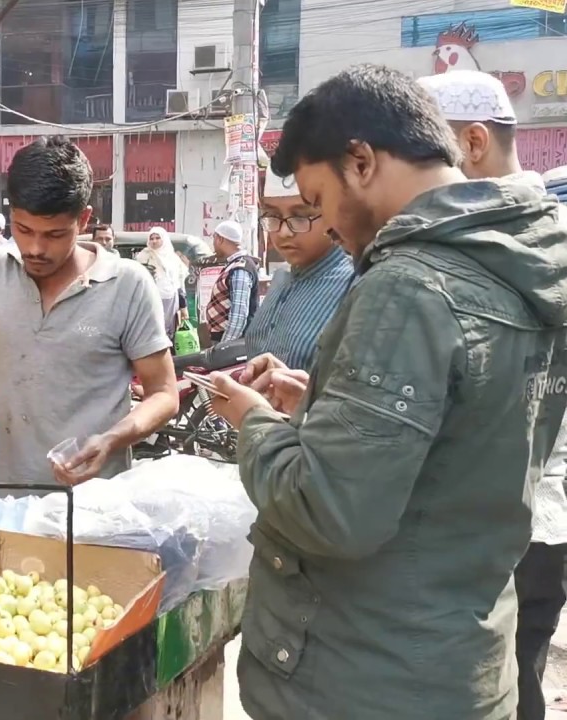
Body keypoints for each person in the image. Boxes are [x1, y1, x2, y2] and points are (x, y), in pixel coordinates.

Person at [209, 64, 567, 720]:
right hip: (465, 656)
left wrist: (255, 421)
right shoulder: (530, 262)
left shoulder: (408, 285)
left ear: (362, 161)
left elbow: (329, 510)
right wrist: (325, 405)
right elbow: (463, 436)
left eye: (318, 201)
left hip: (364, 676)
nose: (327, 226)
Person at [0, 136, 179, 489]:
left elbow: (163, 394)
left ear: (84, 219)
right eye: (23, 229)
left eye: (54, 234)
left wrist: (113, 439)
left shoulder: (128, 284)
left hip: (97, 504)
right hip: (8, 500)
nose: (35, 248)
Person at [421, 68, 567, 720]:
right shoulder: (546, 235)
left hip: (501, 523)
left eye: (420, 160)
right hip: (545, 517)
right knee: (518, 678)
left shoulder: (483, 246)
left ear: (473, 143)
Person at [243, 169, 353, 371]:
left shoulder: (355, 284)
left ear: (333, 214)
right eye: (273, 216)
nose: (283, 232)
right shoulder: (281, 278)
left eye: (301, 216)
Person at [202, 220, 257, 343]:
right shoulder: (234, 265)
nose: (213, 244)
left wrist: (225, 346)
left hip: (232, 343)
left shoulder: (240, 268)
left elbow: (238, 316)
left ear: (220, 239)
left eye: (214, 238)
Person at [135, 227, 188, 337]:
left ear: (164, 239)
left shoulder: (173, 258)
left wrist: (184, 307)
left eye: (157, 238)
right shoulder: (143, 256)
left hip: (170, 299)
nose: (154, 241)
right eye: (151, 238)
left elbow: (179, 284)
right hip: (149, 299)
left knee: (169, 330)